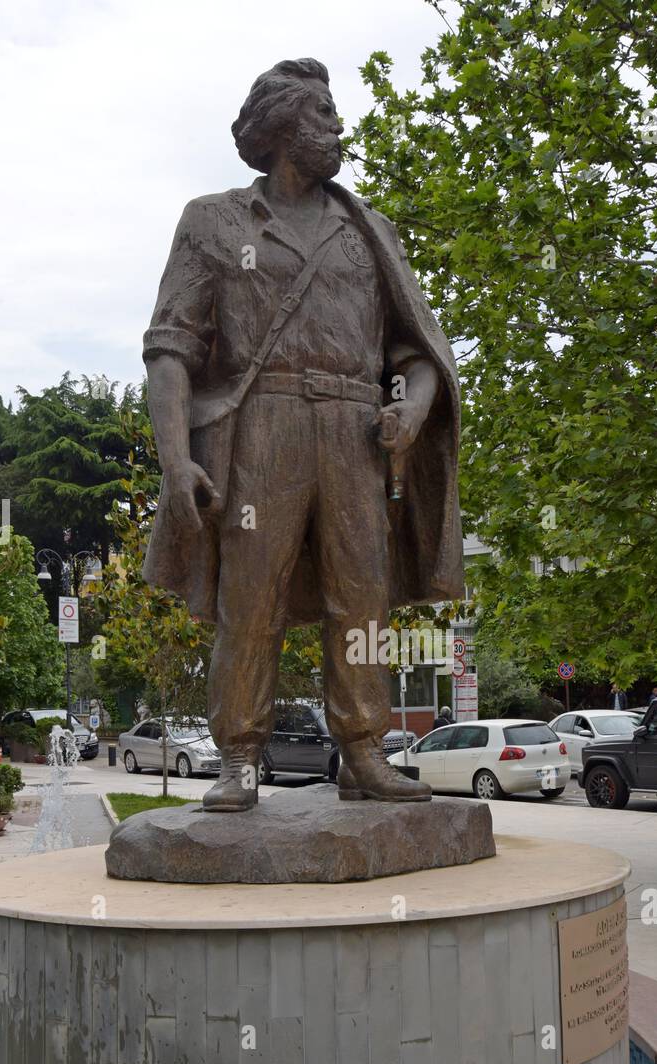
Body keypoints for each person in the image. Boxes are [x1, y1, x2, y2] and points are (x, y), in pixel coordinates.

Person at [141, 58, 464, 810]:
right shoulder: (213, 220)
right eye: (322, 114)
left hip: (355, 432)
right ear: (282, 128)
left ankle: (363, 753)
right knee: (249, 599)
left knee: (365, 599)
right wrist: (173, 460)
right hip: (262, 431)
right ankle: (240, 758)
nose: (338, 126)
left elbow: (415, 354)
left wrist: (412, 409)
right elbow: (170, 348)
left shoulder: (368, 230)